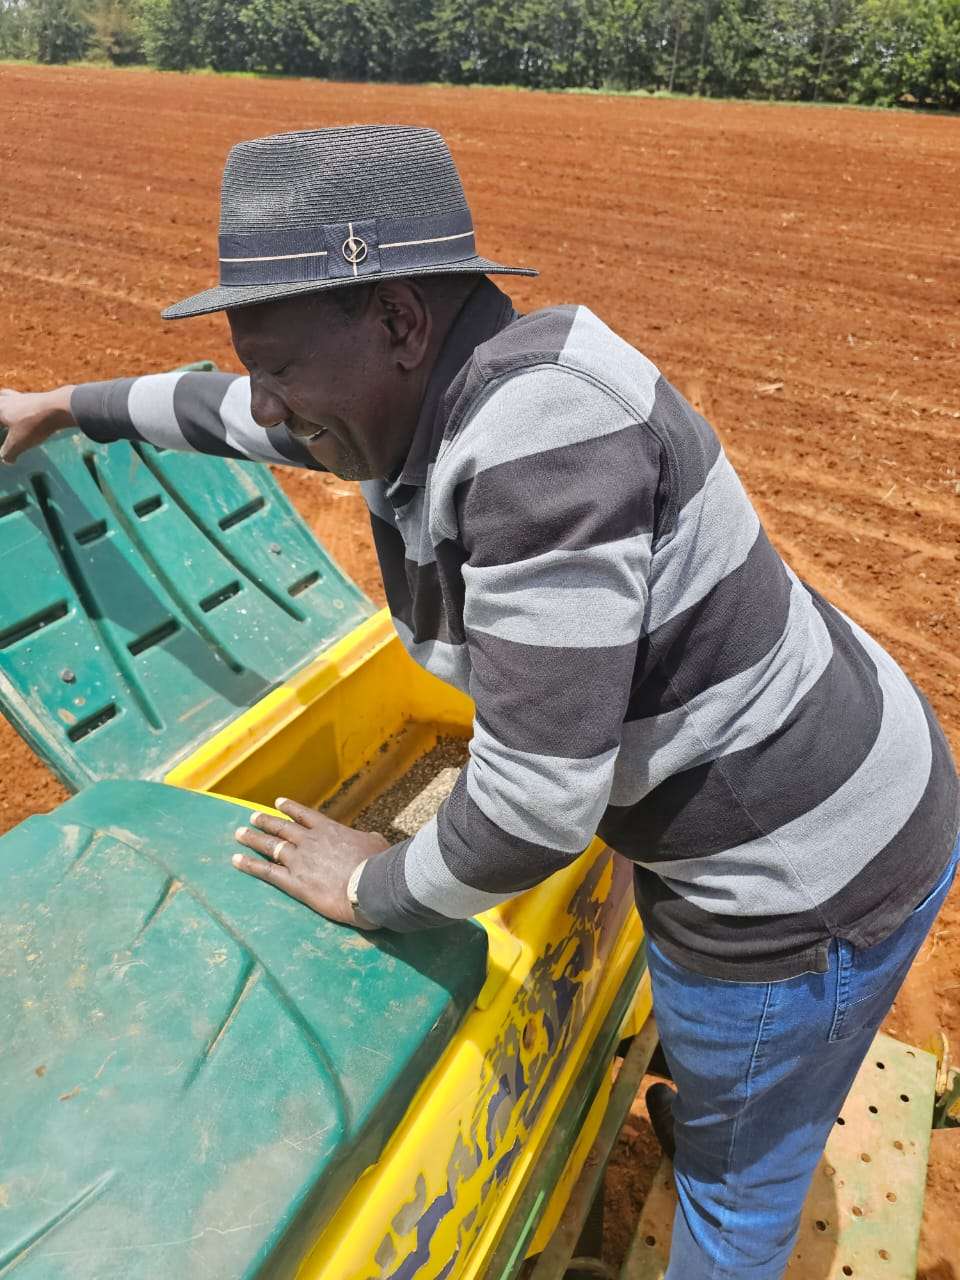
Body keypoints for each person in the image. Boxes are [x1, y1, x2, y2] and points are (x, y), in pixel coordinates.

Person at [1, 125, 956, 1280]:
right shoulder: (427, 389)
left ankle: (727, 1140)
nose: (269, 400)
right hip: (787, 791)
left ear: (401, 320)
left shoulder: (543, 445)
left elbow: (535, 811)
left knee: (734, 1197)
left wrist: (366, 881)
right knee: (733, 1104)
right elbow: (228, 413)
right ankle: (726, 1103)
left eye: (282, 364)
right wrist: (57, 403)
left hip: (797, 882)